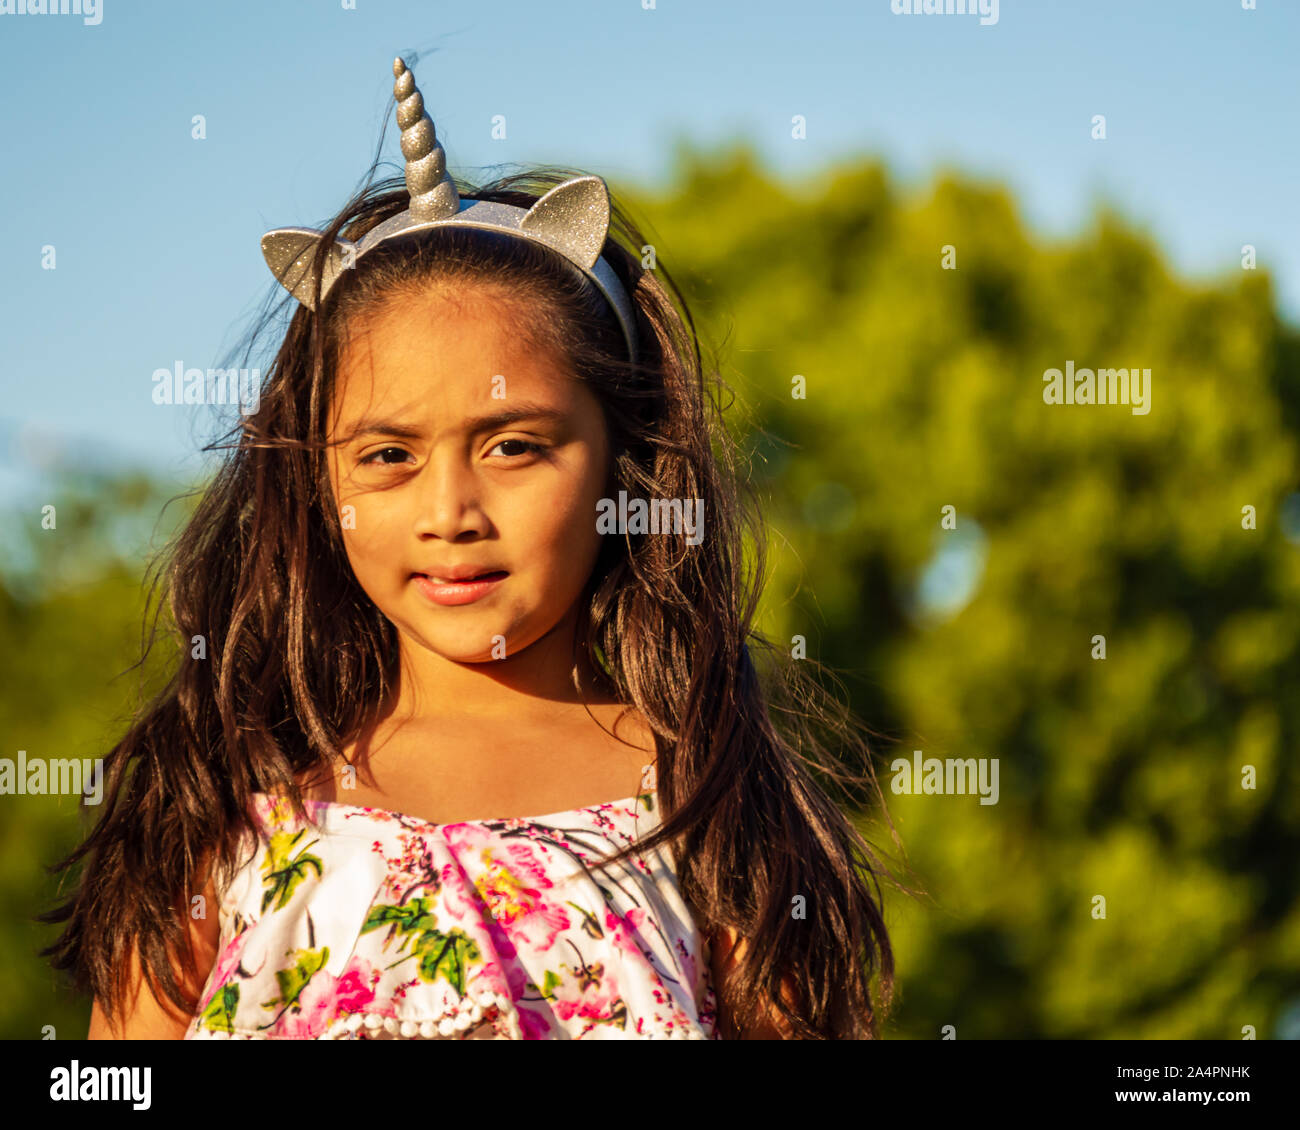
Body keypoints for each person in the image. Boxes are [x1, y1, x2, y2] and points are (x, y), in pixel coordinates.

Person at [40, 55, 903, 1040]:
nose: (450, 508)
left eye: (513, 445)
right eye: (389, 454)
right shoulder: (223, 808)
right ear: (315, 485)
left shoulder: (704, 802)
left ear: (623, 465)